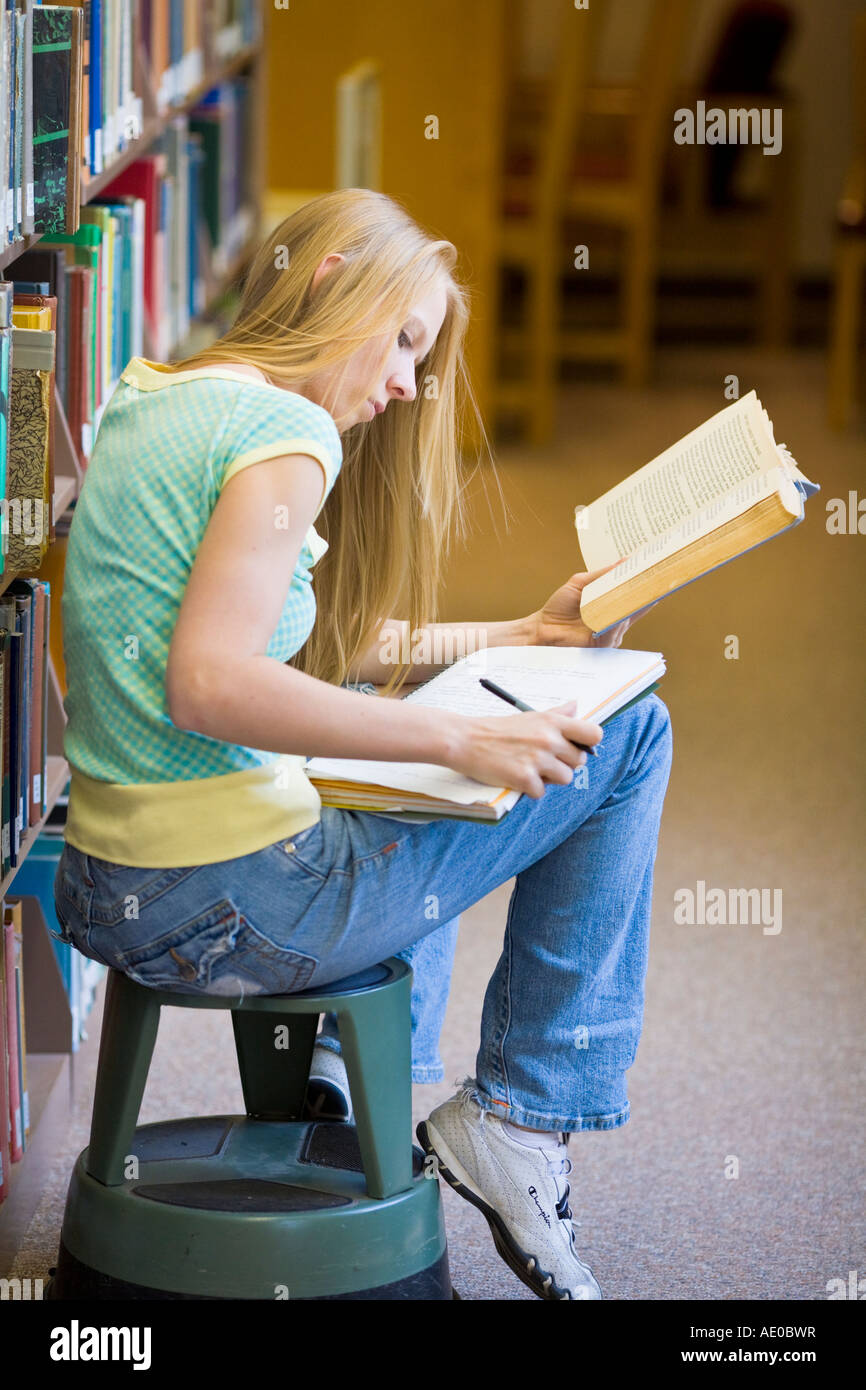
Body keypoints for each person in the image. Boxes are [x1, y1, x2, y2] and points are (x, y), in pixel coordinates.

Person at [53, 188, 672, 1301]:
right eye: (402, 340)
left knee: (381, 743)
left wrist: (519, 634)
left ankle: (339, 1074)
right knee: (630, 731)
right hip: (231, 902)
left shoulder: (158, 394)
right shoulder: (284, 435)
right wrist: (458, 736)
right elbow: (214, 682)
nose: (401, 383)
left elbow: (304, 640)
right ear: (333, 278)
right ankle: (523, 1118)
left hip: (109, 884)